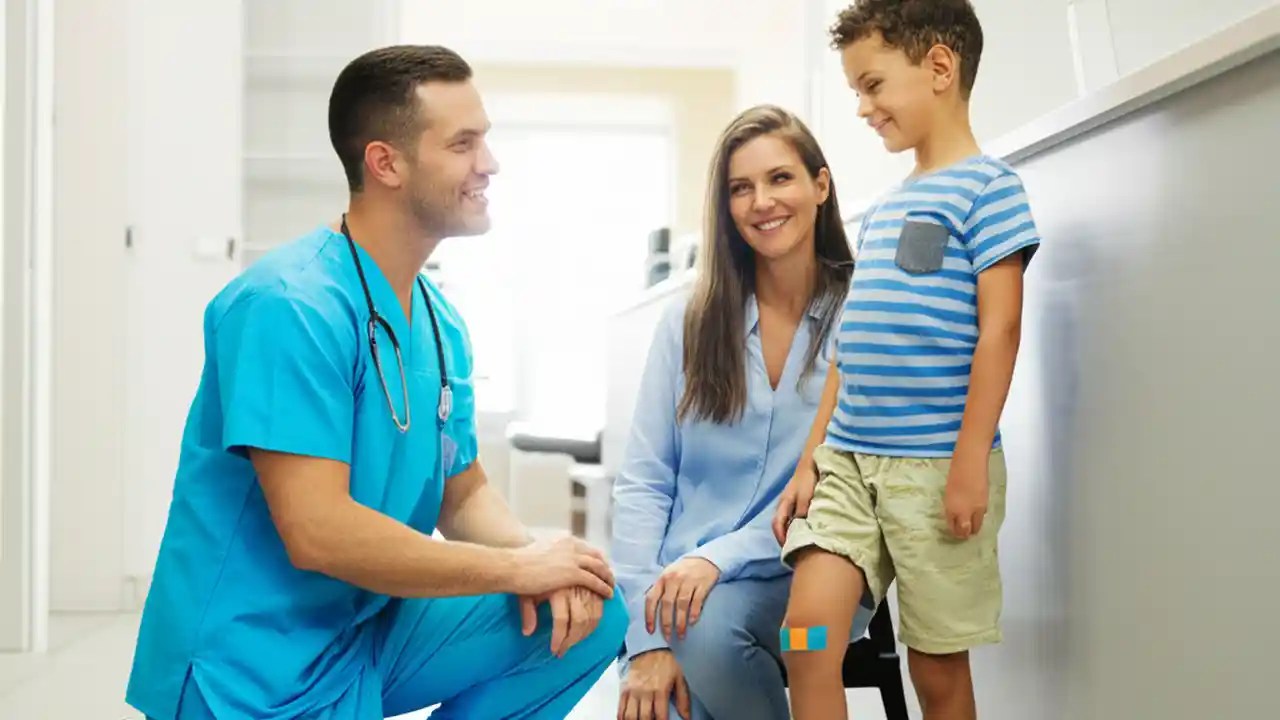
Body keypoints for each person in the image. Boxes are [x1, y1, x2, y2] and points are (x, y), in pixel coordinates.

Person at [125, 45, 627, 720]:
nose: (490, 163)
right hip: (248, 667)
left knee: (595, 609)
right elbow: (317, 532)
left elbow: (463, 489)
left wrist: (546, 562)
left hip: (365, 631)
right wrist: (515, 570)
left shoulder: (439, 320)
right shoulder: (288, 305)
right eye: (463, 144)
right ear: (386, 162)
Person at [773, 2, 1043, 719]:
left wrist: (967, 463)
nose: (862, 107)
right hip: (850, 466)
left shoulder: (989, 191)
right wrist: (812, 457)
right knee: (806, 639)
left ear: (940, 69)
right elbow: (851, 345)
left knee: (936, 666)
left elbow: (1001, 331)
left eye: (872, 84)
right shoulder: (888, 205)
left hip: (935, 473)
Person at [611, 105, 873, 720]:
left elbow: (848, 486)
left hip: (809, 596)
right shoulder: (687, 323)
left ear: (821, 185)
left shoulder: (862, 316)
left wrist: (715, 559)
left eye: (780, 178)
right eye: (740, 188)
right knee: (663, 697)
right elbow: (644, 484)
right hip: (676, 593)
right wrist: (647, 639)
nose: (761, 201)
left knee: (709, 635)